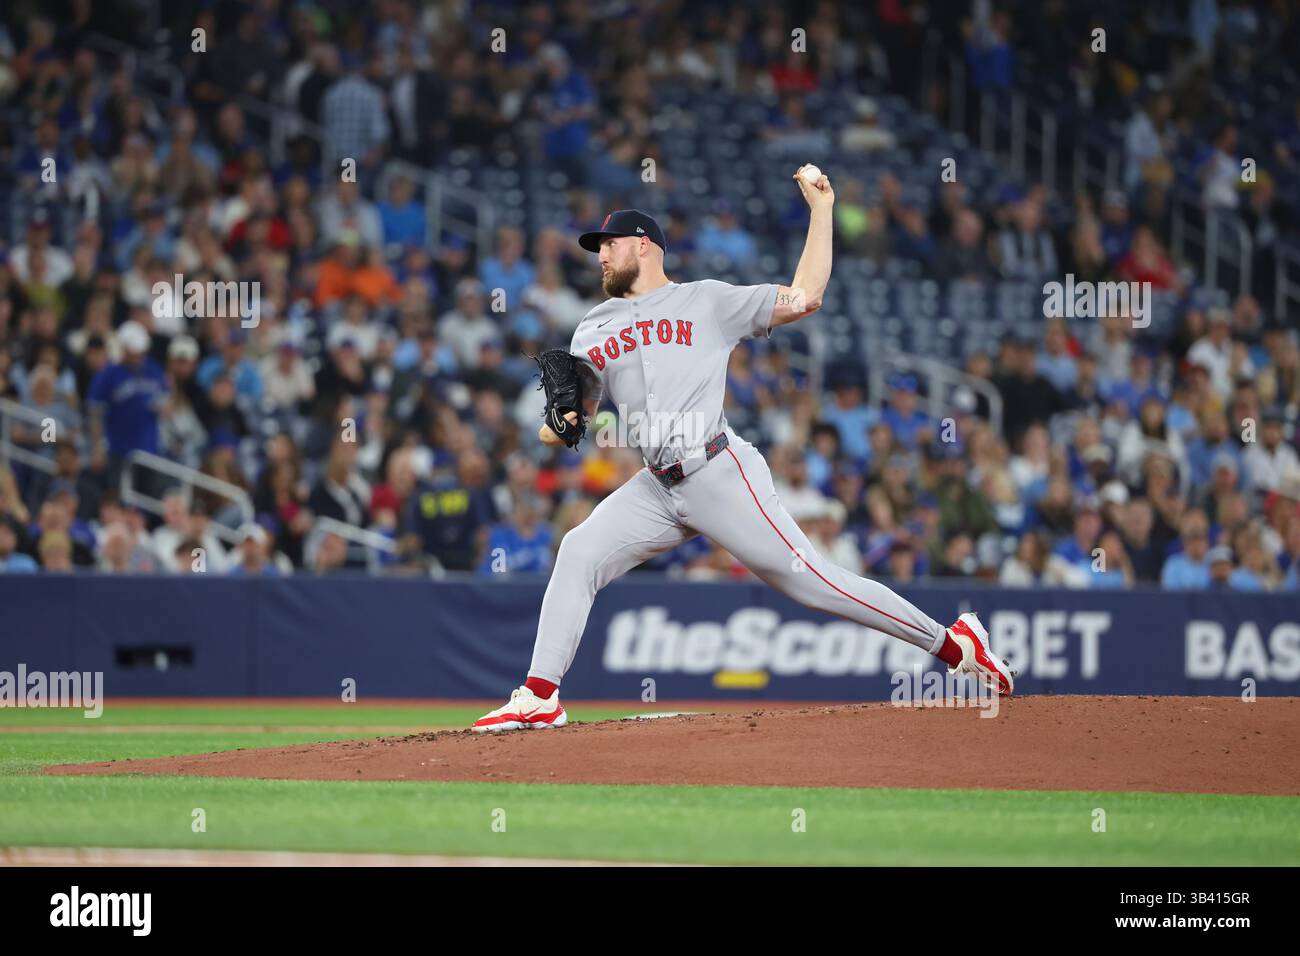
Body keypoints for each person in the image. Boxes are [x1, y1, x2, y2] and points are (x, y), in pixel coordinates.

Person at [473, 171, 1014, 732]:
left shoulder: (706, 300)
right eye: (597, 249)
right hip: (657, 486)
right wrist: (558, 422)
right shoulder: (592, 327)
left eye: (608, 244)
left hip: (718, 472)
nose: (600, 256)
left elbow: (806, 297)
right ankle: (539, 695)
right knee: (579, 549)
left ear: (644, 246)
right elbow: (567, 426)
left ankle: (955, 646)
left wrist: (822, 210)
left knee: (813, 582)